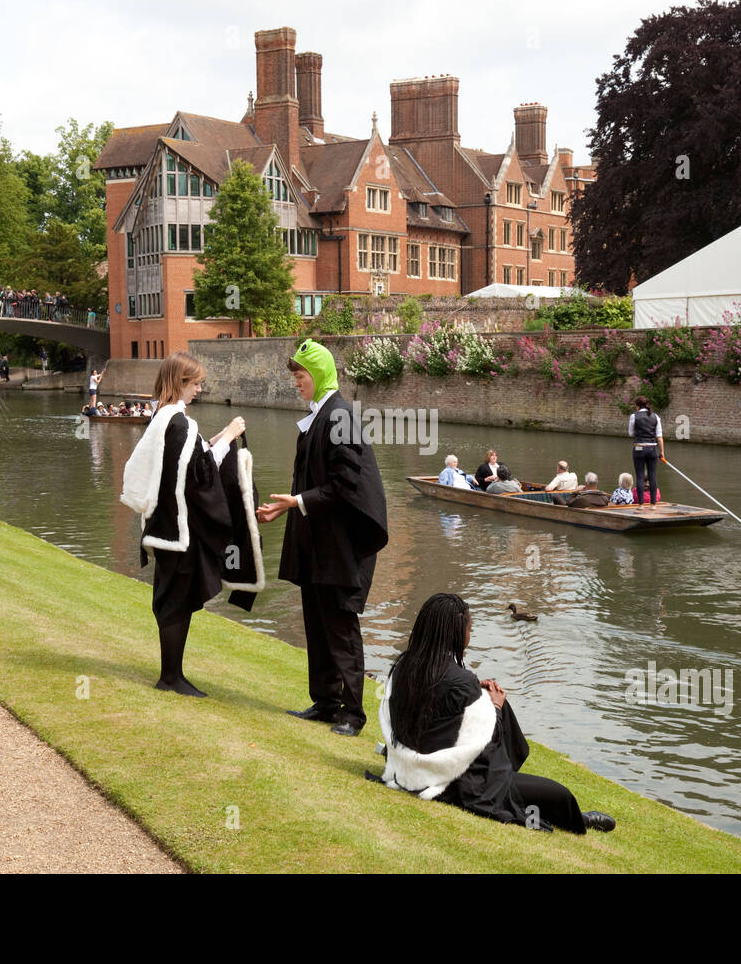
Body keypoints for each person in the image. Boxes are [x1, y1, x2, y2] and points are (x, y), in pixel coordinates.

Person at [379, 593, 616, 834]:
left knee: (495, 720)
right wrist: (494, 708)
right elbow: (483, 744)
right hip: (449, 781)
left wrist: (475, 698)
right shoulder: (461, 681)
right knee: (559, 794)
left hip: (405, 769)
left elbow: (434, 718)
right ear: (458, 633)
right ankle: (579, 818)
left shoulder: (401, 668)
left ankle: (506, 778)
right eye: (470, 628)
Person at [256, 339, 388, 738]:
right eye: (295, 376)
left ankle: (353, 713)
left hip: (342, 547)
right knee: (316, 623)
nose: (296, 383)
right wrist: (289, 505)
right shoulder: (320, 417)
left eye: (300, 376)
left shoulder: (340, 416)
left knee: (340, 626)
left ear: (317, 374)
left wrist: (297, 501)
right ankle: (327, 702)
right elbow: (318, 482)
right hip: (318, 545)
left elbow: (347, 485)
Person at [119, 352, 259, 696]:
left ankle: (173, 674)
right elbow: (198, 476)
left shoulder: (164, 417)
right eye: (195, 383)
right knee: (175, 601)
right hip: (177, 531)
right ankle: (170, 678)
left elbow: (190, 462)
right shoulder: (179, 423)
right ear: (180, 383)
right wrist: (228, 436)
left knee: (174, 599)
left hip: (165, 526)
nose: (199, 389)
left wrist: (216, 442)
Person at [628, 395, 665, 508]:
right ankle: (653, 504)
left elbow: (631, 433)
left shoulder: (634, 416)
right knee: (652, 476)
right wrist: (662, 452)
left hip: (639, 448)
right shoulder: (656, 416)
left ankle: (640, 505)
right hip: (652, 449)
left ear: (637, 405)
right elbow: (659, 436)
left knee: (640, 476)